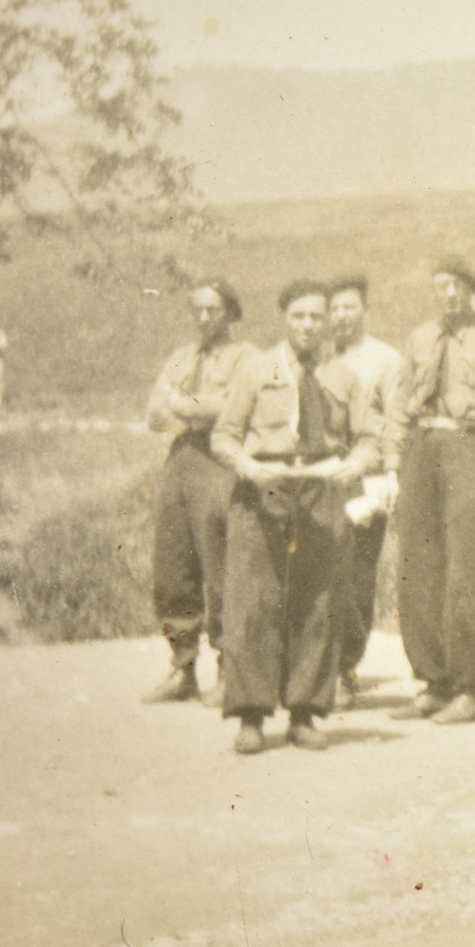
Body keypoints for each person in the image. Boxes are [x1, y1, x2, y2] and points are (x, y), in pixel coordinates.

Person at [212, 281, 379, 754]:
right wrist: (247, 466)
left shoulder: (345, 376)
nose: (308, 326)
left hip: (321, 490)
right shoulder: (256, 370)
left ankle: (305, 713)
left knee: (318, 602)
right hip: (263, 488)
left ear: (329, 322)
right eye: (299, 317)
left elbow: (368, 437)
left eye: (317, 318)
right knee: (254, 604)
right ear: (285, 319)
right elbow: (224, 435)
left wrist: (358, 463)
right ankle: (251, 715)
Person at [377, 258, 475, 726]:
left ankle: (472, 683)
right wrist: (390, 466)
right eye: (439, 285)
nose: (447, 294)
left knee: (469, 566)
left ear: (471, 289)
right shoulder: (421, 337)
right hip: (422, 450)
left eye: (455, 285)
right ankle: (434, 678)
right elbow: (400, 404)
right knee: (418, 567)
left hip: (473, 447)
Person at [141, 281, 252, 705]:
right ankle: (182, 665)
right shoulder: (180, 357)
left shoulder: (247, 358)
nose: (205, 318)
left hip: (219, 465)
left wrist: (182, 403)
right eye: (198, 310)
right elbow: (154, 414)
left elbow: (234, 407)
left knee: (221, 564)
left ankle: (230, 668)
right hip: (180, 461)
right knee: (172, 565)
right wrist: (200, 407)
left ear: (231, 312)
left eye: (214, 310)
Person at [324, 276, 401, 699]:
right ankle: (319, 664)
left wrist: (389, 475)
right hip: (323, 477)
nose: (340, 317)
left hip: (366, 474)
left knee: (357, 573)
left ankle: (346, 665)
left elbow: (394, 421)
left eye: (348, 308)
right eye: (334, 309)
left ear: (364, 311)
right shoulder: (318, 358)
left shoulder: (386, 360)